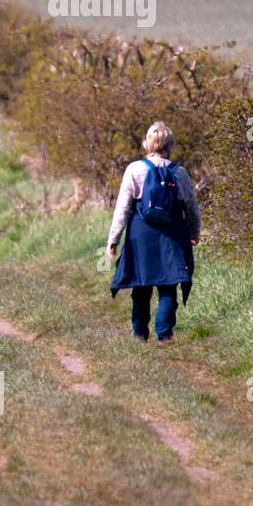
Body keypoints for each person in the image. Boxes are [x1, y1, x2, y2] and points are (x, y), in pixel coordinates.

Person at [107, 121, 200, 344]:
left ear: (147, 143)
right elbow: (192, 208)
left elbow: (123, 208)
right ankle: (164, 335)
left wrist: (113, 240)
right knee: (168, 285)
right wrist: (195, 233)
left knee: (141, 285)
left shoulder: (134, 169)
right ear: (170, 144)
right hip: (172, 234)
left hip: (141, 234)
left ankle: (139, 334)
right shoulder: (179, 172)